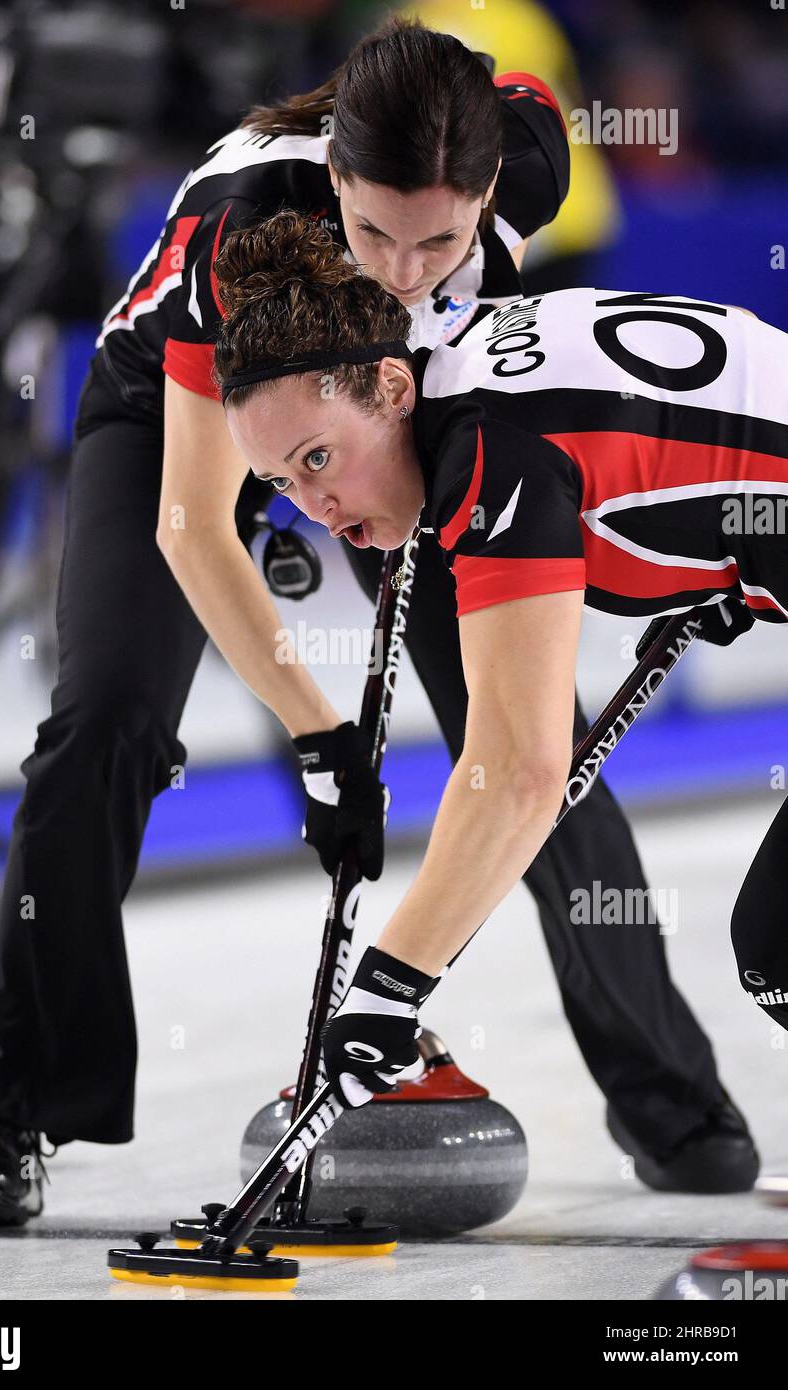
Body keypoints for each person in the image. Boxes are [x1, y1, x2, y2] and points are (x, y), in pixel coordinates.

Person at [0, 17, 753, 1228]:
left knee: (520, 743)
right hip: (185, 416)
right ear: (333, 183)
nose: (407, 273)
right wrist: (320, 738)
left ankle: (672, 1100)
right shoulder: (245, 221)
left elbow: (507, 98)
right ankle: (6, 1108)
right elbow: (198, 525)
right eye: (371, 234)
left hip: (384, 404)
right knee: (105, 717)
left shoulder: (517, 155)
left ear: (487, 195)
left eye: (441, 241)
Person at [209, 208, 785, 1120]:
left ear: (391, 390)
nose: (315, 508)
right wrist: (735, 562)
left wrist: (386, 991)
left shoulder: (487, 453)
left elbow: (517, 768)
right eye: (282, 483)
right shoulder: (463, 349)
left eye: (318, 458)